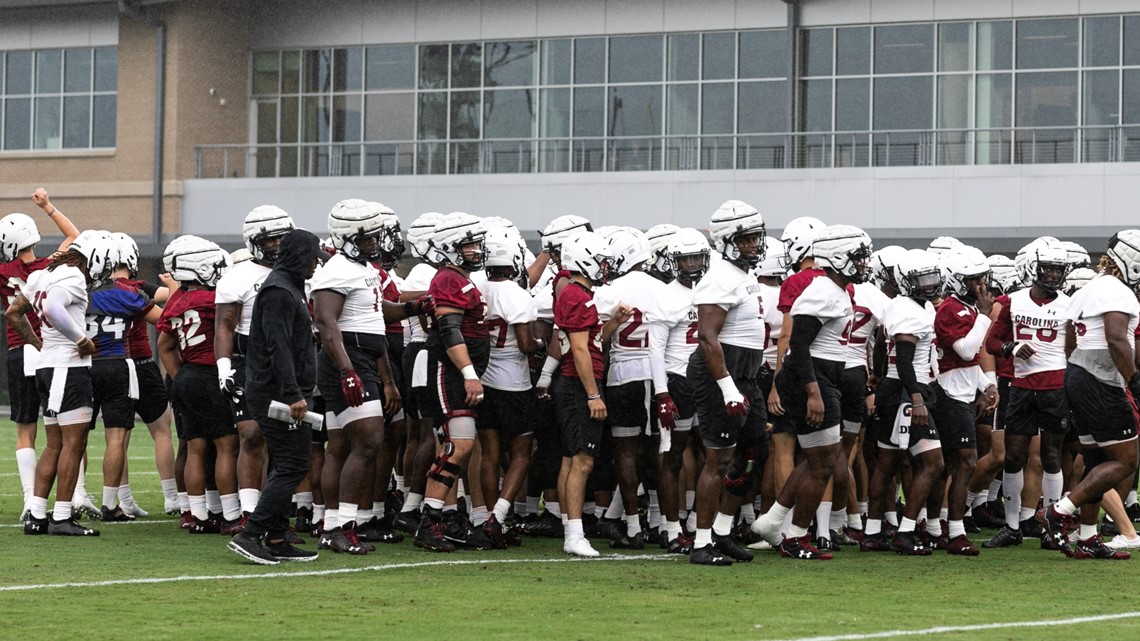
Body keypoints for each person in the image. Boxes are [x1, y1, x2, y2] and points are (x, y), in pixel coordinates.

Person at [313, 199, 425, 554]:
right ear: (347, 238)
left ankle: (332, 525)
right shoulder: (337, 270)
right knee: (369, 442)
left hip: (361, 358)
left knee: (341, 447)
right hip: (349, 360)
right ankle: (345, 526)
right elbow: (326, 323)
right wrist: (347, 371)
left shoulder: (363, 268)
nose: (375, 242)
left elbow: (376, 314)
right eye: (367, 237)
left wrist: (412, 307)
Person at [754, 224, 870, 561]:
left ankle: (773, 521)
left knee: (819, 459)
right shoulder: (823, 292)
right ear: (838, 257)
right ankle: (795, 535)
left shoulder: (834, 289)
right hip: (813, 377)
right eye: (857, 257)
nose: (863, 263)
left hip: (821, 376)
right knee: (823, 463)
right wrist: (814, 392)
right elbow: (800, 344)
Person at [1040, 231, 1140, 560]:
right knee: (1126, 460)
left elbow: (1069, 339)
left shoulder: (1089, 288)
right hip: (1100, 376)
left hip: (1078, 371)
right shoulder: (1117, 290)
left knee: (1096, 459)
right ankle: (1058, 511)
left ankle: (1087, 538)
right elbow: (1116, 339)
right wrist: (1134, 380)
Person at [9, 229, 116, 536]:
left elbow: (14, 312)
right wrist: (82, 340)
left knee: (55, 444)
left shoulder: (42, 274)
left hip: (48, 367)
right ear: (94, 258)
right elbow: (53, 308)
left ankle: (37, 516)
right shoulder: (73, 277)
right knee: (73, 444)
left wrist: (38, 343)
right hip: (67, 369)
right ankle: (61, 517)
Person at [228, 229, 323, 565]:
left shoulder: (288, 286)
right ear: (299, 256)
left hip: (282, 391)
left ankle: (278, 537)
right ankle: (250, 534)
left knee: (286, 464)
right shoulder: (278, 291)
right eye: (312, 257)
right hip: (277, 394)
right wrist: (293, 393)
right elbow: (277, 345)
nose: (316, 264)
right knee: (294, 464)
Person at [688, 200, 769, 566]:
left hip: (745, 375)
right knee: (718, 460)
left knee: (755, 451)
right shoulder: (719, 277)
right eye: (745, 239)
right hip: (722, 376)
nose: (754, 245)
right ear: (725, 241)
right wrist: (727, 388)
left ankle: (722, 531)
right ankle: (701, 542)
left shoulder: (742, 274)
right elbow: (707, 337)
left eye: (756, 237)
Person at [983, 238, 1071, 549]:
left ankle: (1051, 527)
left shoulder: (1070, 304)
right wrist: (1012, 346)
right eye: (1048, 269)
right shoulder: (1013, 301)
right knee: (1013, 457)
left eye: (1058, 269)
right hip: (1021, 388)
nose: (1054, 275)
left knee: (1051, 457)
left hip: (1055, 388)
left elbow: (1074, 347)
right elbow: (992, 342)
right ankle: (1012, 527)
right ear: (1032, 268)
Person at [414, 212, 493, 552]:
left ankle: (446, 520)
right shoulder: (448, 278)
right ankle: (429, 522)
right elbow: (449, 331)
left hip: (456, 372)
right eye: (469, 245)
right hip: (449, 371)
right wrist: (470, 375)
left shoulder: (459, 277)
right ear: (450, 247)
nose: (476, 250)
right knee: (457, 446)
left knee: (458, 446)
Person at [215, 205, 296, 531]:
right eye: (270, 239)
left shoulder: (301, 272)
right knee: (251, 434)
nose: (277, 244)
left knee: (287, 441)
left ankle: (276, 515)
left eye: (282, 238)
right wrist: (223, 367)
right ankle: (250, 514)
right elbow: (225, 325)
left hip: (289, 361)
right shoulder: (238, 276)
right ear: (254, 242)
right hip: (249, 360)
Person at [0, 189, 80, 518]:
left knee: (25, 429)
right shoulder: (50, 266)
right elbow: (74, 236)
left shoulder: (3, 272)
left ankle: (29, 498)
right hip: (50, 351)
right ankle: (73, 497)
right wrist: (48, 207)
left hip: (21, 349)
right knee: (64, 429)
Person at [860, 249, 945, 555]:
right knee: (933, 463)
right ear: (907, 281)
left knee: (887, 464)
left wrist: (877, 375)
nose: (930, 285)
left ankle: (872, 533)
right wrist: (916, 399)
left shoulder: (904, 305)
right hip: (907, 392)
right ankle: (905, 532)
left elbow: (882, 343)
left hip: (896, 390)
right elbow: (905, 361)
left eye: (932, 278)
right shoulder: (910, 310)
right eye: (922, 280)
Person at [157, 236, 240, 534]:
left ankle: (198, 515)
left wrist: (180, 376)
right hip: (211, 373)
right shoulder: (214, 298)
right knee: (226, 446)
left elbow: (164, 346)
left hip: (187, 375)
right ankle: (232, 515)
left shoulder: (177, 299)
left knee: (195, 448)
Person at [477, 228, 544, 547]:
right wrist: (542, 342)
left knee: (489, 455)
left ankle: (490, 519)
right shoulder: (517, 295)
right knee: (521, 453)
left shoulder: (477, 287)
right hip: (514, 383)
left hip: (483, 379)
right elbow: (526, 344)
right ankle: (498, 517)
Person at [928, 246, 996, 556]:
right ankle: (954, 530)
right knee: (966, 462)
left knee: (950, 465)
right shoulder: (950, 309)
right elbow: (967, 351)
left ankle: (936, 526)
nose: (980, 285)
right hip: (949, 394)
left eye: (982, 278)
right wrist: (984, 317)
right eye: (973, 279)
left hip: (963, 392)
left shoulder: (966, 308)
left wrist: (987, 384)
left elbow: (969, 362)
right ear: (955, 280)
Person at [552, 230, 615, 558]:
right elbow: (579, 350)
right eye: (601, 261)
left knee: (570, 458)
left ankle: (570, 527)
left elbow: (592, 342)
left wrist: (616, 321)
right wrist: (592, 394)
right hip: (578, 386)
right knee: (582, 460)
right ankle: (574, 534)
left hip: (574, 384)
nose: (605, 267)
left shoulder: (578, 294)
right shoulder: (576, 295)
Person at [659, 228, 712, 553]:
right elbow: (655, 349)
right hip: (677, 379)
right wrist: (661, 393)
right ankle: (670, 528)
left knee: (713, 453)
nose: (691, 264)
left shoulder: (714, 287)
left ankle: (696, 522)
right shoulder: (666, 295)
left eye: (696, 258)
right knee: (673, 457)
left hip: (707, 380)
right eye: (685, 259)